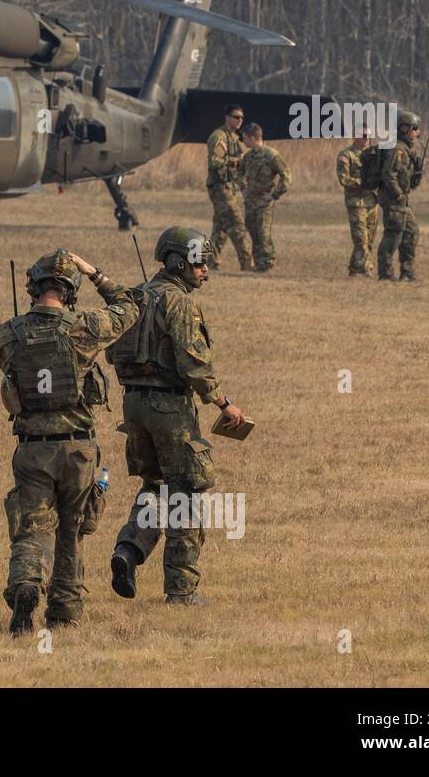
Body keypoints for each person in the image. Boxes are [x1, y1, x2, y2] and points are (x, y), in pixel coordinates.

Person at [0, 250, 139, 634]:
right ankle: (65, 610)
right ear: (70, 291)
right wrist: (94, 272)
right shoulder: (84, 328)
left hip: (33, 448)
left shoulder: (8, 333)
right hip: (77, 450)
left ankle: (25, 584)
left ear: (33, 286)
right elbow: (129, 306)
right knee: (73, 528)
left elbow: (4, 362)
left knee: (32, 527)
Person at [106, 227, 245, 606]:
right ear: (177, 262)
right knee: (187, 493)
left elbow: (111, 352)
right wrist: (223, 403)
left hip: (133, 407)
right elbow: (193, 361)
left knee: (155, 487)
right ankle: (181, 591)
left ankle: (128, 551)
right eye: (200, 264)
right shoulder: (179, 303)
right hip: (170, 408)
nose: (205, 272)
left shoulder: (133, 297)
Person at [204, 106, 254, 271]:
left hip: (230, 186)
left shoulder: (235, 138)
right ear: (227, 117)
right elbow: (213, 162)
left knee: (220, 228)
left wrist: (244, 186)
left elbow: (239, 168)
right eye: (236, 117)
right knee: (237, 223)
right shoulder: (218, 137)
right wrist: (232, 160)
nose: (239, 120)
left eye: (241, 117)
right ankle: (247, 264)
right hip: (219, 187)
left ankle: (211, 262)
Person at [237, 123, 290, 273]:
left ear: (253, 138)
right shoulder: (248, 156)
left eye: (245, 138)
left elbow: (286, 175)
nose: (243, 141)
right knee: (253, 231)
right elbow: (239, 173)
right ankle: (259, 263)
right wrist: (243, 188)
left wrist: (274, 194)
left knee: (263, 233)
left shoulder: (271, 155)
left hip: (264, 201)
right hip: (250, 201)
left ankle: (267, 264)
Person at [377, 111, 422, 281]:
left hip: (401, 200)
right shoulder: (397, 150)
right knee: (393, 235)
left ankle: (407, 273)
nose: (417, 133)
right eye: (415, 129)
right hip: (393, 200)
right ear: (405, 129)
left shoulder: (406, 150)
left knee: (411, 232)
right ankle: (385, 274)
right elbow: (389, 174)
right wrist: (399, 194)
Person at [336, 129, 380, 276]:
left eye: (368, 136)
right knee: (360, 238)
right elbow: (343, 179)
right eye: (363, 136)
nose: (366, 139)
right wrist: (362, 182)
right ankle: (367, 269)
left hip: (372, 202)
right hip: (356, 202)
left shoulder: (374, 155)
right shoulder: (346, 155)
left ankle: (355, 268)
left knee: (369, 240)